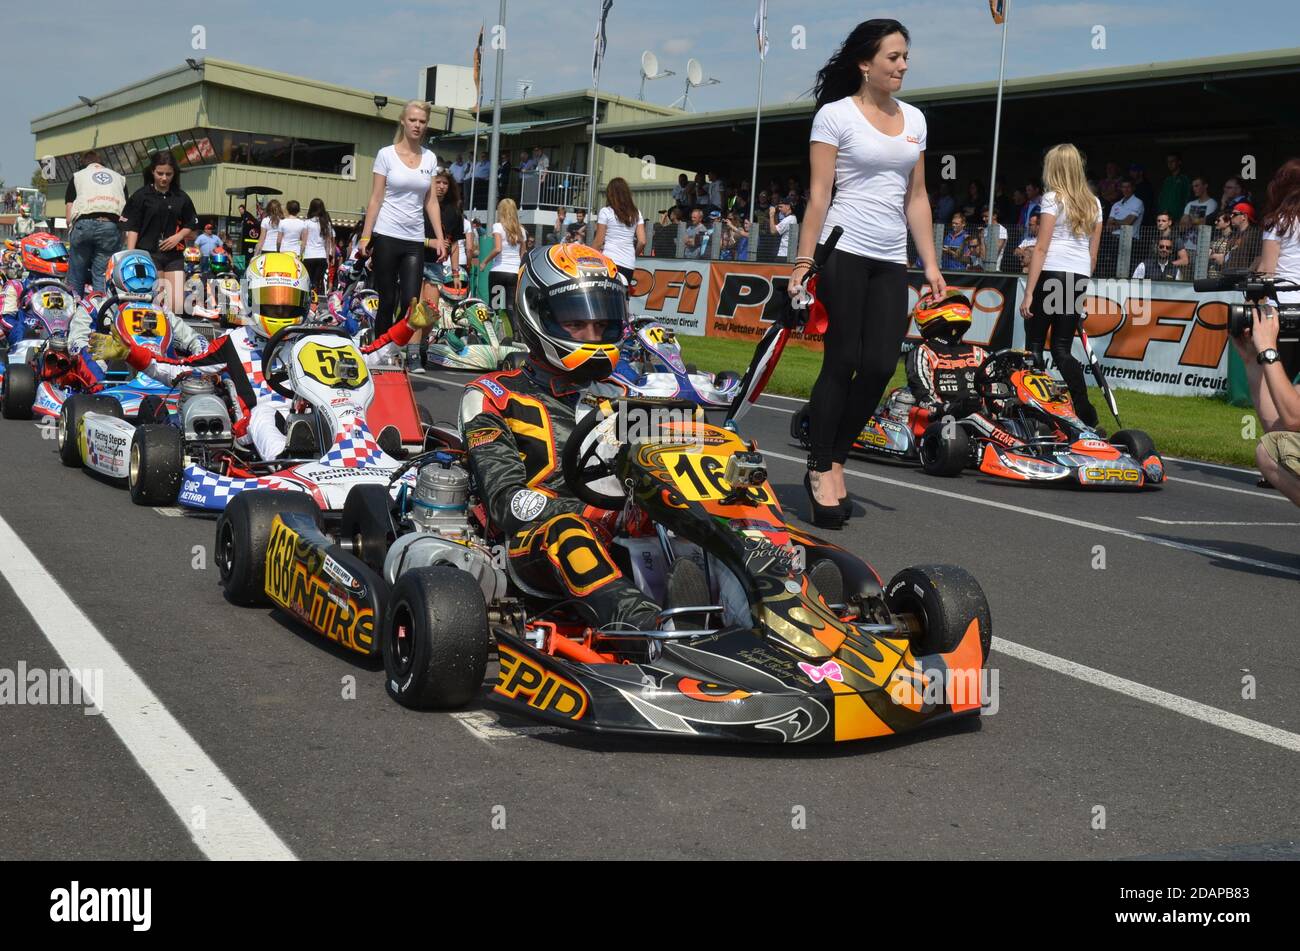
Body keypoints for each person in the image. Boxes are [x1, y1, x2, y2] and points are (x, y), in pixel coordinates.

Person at [459, 245, 661, 631]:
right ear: (539, 315)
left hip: (626, 536)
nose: (592, 335)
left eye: (602, 325)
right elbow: (506, 502)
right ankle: (647, 628)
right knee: (568, 533)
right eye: (576, 324)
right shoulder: (494, 397)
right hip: (534, 547)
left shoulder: (623, 394)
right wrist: (597, 515)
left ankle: (777, 609)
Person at [793, 18, 944, 528]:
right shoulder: (834, 117)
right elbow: (818, 196)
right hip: (843, 249)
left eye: (905, 56)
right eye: (893, 57)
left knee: (880, 364)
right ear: (866, 64)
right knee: (844, 359)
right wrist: (803, 261)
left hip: (890, 258)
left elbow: (917, 196)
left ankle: (837, 456)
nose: (903, 65)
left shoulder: (916, 121)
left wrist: (930, 263)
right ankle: (820, 468)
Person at [91, 251, 432, 461]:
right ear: (250, 299)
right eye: (272, 301)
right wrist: (131, 353)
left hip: (314, 411)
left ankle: (374, 451)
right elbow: (175, 370)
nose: (281, 308)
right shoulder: (232, 344)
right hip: (255, 431)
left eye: (288, 301)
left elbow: (369, 355)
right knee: (265, 415)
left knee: (347, 403)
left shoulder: (318, 339)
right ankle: (287, 457)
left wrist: (406, 326)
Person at [1019, 143, 1103, 429]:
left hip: (1052, 270)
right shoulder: (1094, 202)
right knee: (1062, 348)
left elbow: (1041, 248)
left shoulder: (1053, 198)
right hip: (1078, 275)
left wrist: (1029, 292)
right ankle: (1083, 407)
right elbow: (1093, 255)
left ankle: (1037, 404)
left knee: (1034, 343)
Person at [357, 100, 447, 336]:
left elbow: (431, 200)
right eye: (413, 120)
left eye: (422, 121)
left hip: (414, 238)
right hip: (387, 234)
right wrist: (366, 236)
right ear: (403, 122)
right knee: (388, 298)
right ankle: (380, 350)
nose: (417, 125)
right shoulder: (386, 154)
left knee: (410, 301)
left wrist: (439, 238)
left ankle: (392, 342)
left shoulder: (430, 158)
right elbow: (376, 198)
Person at [1242, 158, 1300, 502]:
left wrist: (1254, 299)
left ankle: (1281, 453)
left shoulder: (1278, 221)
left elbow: (1267, 269)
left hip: (1284, 310)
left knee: (1274, 382)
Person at [123, 152, 198, 315]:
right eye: (160, 173)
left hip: (174, 255)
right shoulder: (141, 196)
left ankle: (173, 337)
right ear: (152, 172)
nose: (164, 178)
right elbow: (133, 227)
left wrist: (178, 236)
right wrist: (130, 255)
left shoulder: (181, 197)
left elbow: (192, 222)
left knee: (177, 305)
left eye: (168, 174)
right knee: (157, 302)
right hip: (149, 254)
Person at [905, 291, 988, 424]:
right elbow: (924, 398)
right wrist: (954, 409)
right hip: (946, 424)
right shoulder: (924, 351)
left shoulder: (979, 353)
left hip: (981, 422)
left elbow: (996, 397)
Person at [412, 170, 466, 370]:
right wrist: (431, 242)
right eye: (438, 182)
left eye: (445, 183)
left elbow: (454, 245)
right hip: (415, 261)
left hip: (436, 266)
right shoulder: (419, 206)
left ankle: (423, 342)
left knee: (430, 314)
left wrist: (455, 273)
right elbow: (410, 237)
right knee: (417, 311)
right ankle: (413, 354)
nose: (441, 186)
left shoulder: (453, 211)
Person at [64, 149, 126, 295]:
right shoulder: (119, 178)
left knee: (76, 273)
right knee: (102, 275)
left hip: (84, 223)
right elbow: (125, 211)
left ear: (84, 165)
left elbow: (69, 212)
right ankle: (101, 311)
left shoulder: (78, 176)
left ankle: (75, 308)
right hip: (110, 226)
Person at [480, 198, 526, 322]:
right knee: (511, 306)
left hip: (498, 271)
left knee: (494, 304)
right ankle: (516, 334)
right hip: (514, 272)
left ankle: (491, 333)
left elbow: (498, 249)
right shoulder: (521, 230)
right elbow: (523, 254)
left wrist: (484, 262)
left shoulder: (498, 226)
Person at [592, 177, 645, 282]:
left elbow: (598, 242)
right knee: (623, 296)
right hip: (628, 263)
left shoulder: (606, 212)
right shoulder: (636, 213)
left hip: (609, 261)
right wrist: (633, 255)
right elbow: (642, 241)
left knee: (606, 296)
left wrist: (588, 257)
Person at [302, 198, 334, 294]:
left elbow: (304, 242)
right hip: (321, 256)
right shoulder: (326, 224)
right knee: (317, 283)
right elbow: (328, 243)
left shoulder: (307, 223)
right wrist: (328, 258)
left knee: (308, 282)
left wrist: (300, 254)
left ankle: (308, 303)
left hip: (309, 256)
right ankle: (315, 303)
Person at [1225, 202, 1263, 271]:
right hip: (1229, 276)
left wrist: (1248, 274)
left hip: (1243, 278)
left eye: (1234, 214)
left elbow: (1259, 257)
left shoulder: (1255, 234)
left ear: (1244, 217)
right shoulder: (1234, 234)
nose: (1231, 216)